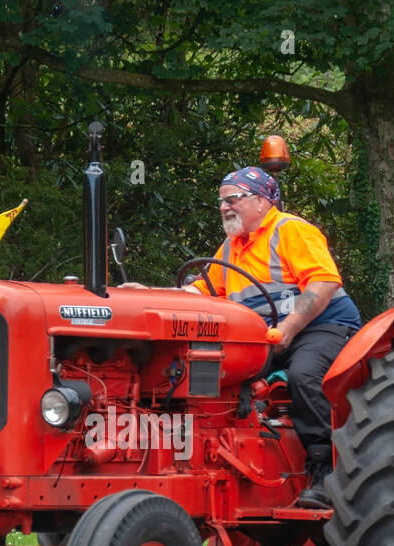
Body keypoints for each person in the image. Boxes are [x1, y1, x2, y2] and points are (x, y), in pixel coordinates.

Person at [124, 166, 362, 508]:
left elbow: (324, 283)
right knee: (211, 380)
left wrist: (289, 329)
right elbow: (199, 293)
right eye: (221, 201)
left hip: (321, 326)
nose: (224, 207)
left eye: (233, 198)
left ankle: (327, 474)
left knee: (304, 375)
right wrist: (148, 294)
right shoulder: (231, 246)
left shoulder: (290, 229)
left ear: (262, 202)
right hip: (267, 336)